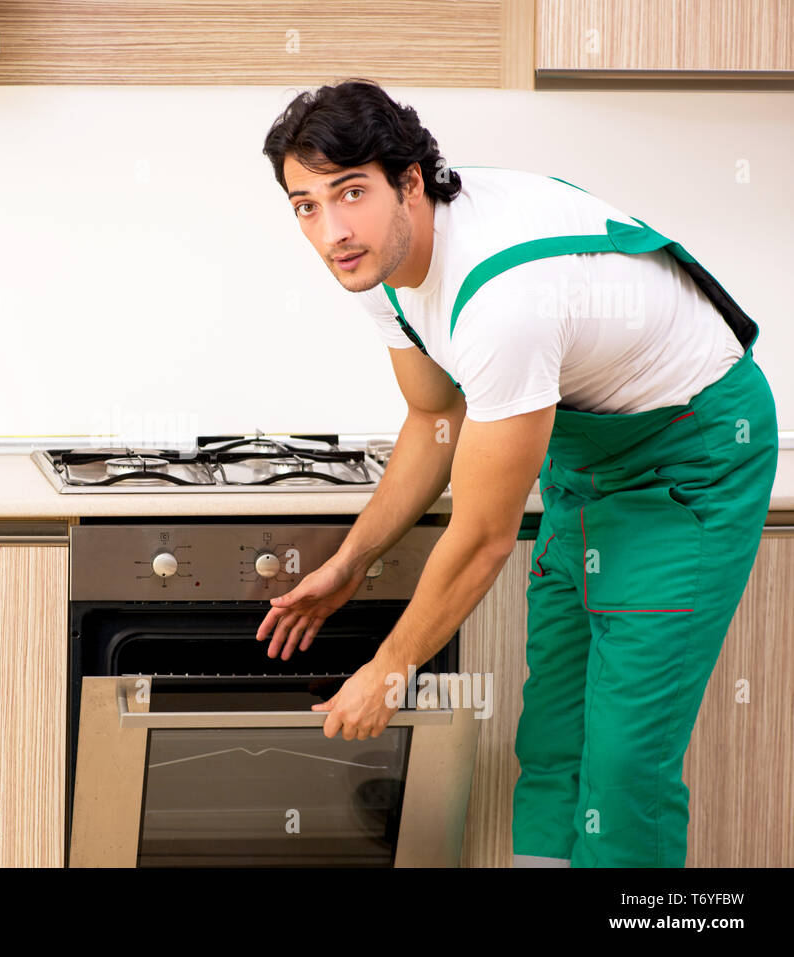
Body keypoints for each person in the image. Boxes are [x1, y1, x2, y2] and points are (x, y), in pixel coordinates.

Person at [254, 78, 778, 868]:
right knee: (554, 741)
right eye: (306, 206)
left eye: (350, 192)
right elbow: (435, 423)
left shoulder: (503, 294)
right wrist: (351, 561)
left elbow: (487, 534)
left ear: (410, 182)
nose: (332, 230)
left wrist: (389, 669)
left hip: (690, 465)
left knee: (625, 764)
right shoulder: (382, 266)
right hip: (587, 461)